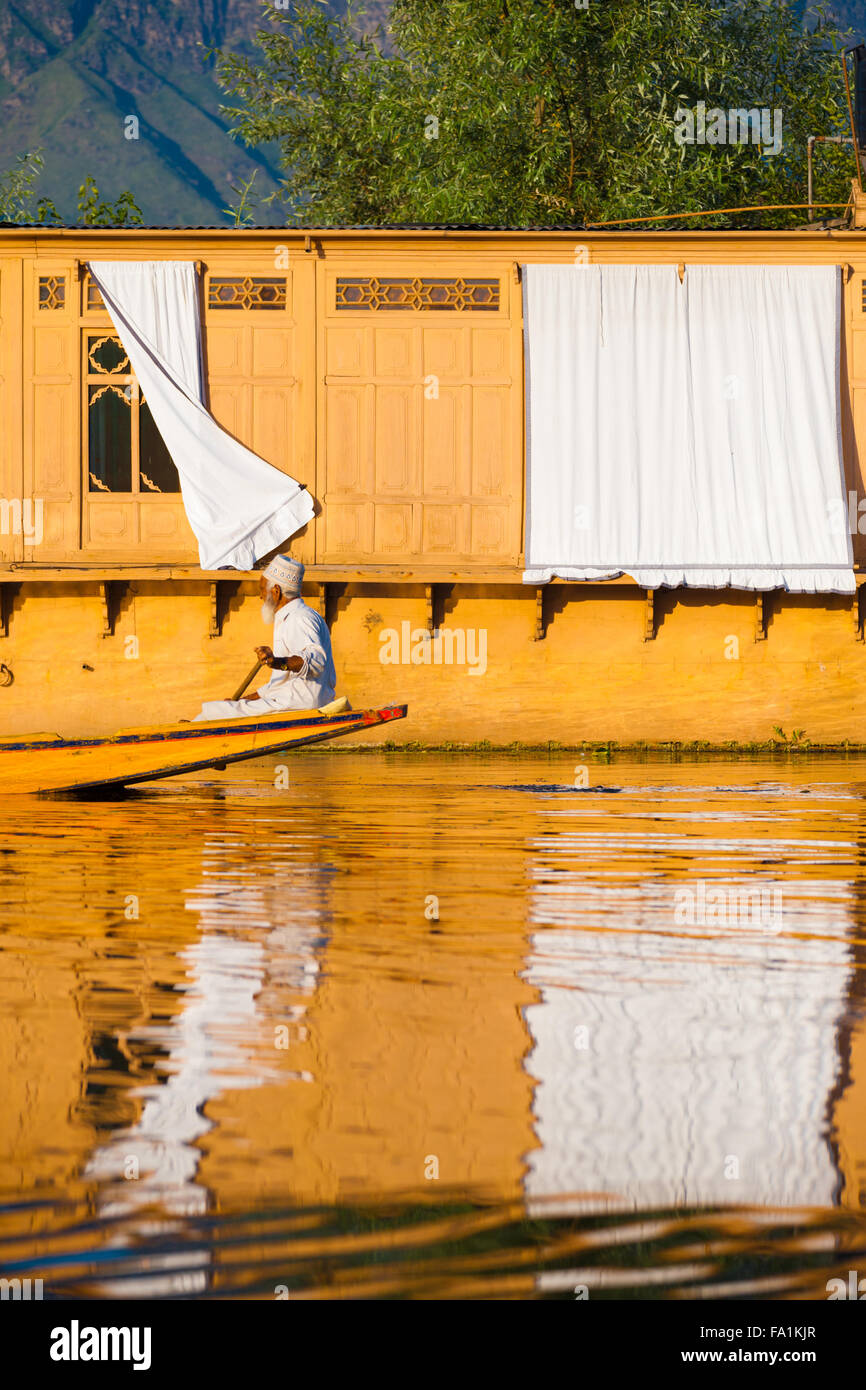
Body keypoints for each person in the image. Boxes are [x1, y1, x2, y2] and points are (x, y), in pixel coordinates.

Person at [194, 555, 337, 721]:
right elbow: (276, 686)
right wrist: (240, 701)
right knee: (225, 707)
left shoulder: (299, 618)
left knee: (214, 713)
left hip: (300, 702)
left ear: (276, 591)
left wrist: (277, 662)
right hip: (292, 699)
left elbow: (317, 661)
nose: (260, 596)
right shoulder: (293, 617)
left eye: (262, 589)